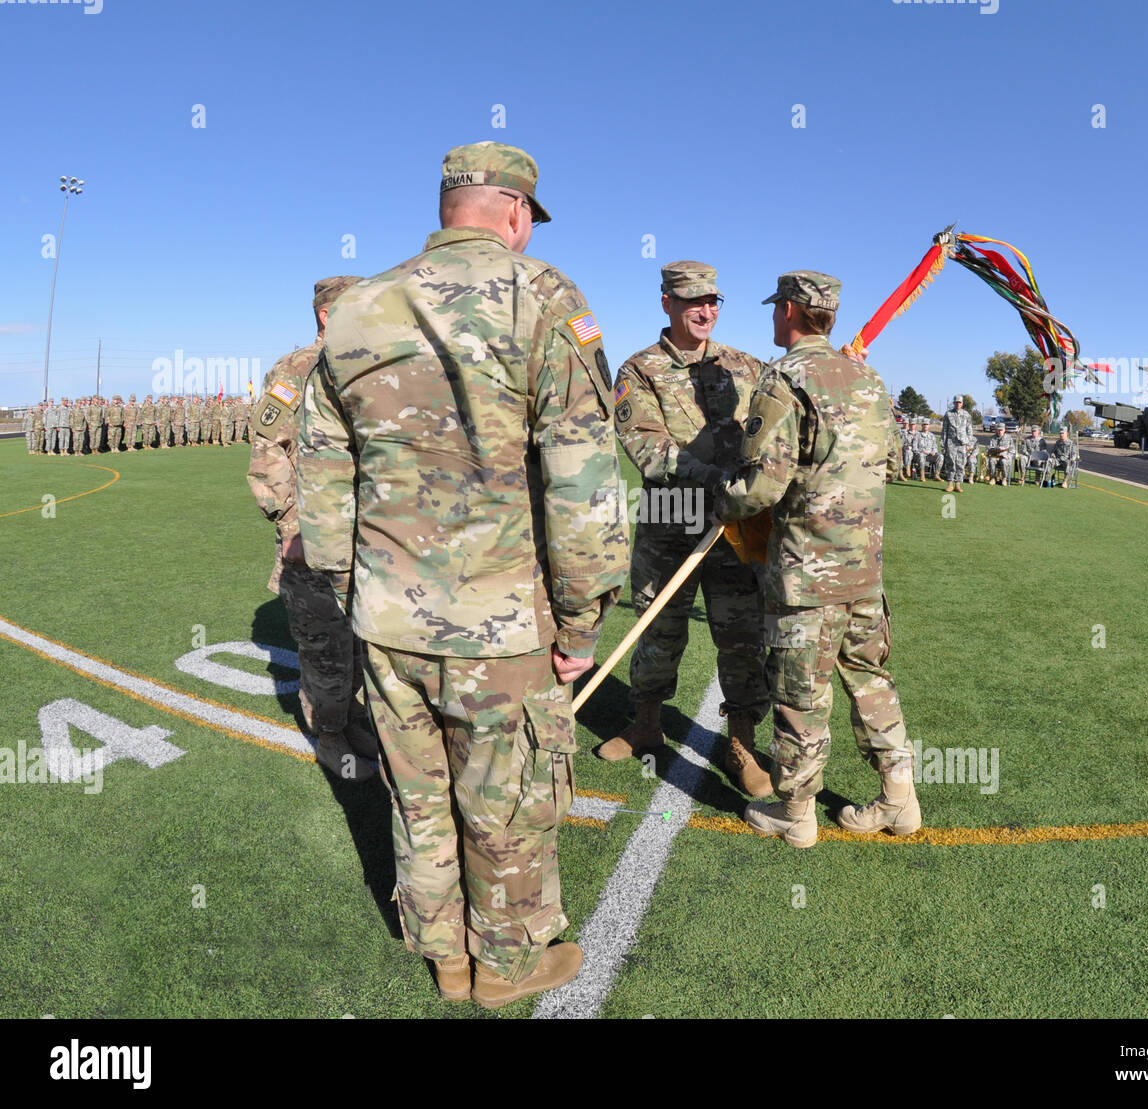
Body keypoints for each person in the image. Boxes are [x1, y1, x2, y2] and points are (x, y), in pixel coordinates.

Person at [297, 141, 628, 1008]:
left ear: (450, 206)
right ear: (517, 213)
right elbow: (584, 478)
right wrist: (583, 624)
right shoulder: (543, 298)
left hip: (385, 617)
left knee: (419, 797)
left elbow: (323, 487)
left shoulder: (359, 309)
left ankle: (444, 954)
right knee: (505, 802)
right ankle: (507, 965)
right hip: (502, 622)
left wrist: (349, 598)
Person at [714, 271, 920, 849]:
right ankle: (900, 799)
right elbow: (896, 463)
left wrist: (720, 500)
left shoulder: (783, 378)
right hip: (864, 573)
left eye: (776, 309)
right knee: (872, 682)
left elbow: (762, 486)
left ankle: (796, 813)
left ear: (789, 310)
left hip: (807, 576)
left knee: (800, 697)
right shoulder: (869, 378)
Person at [599, 260, 771, 797]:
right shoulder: (637, 370)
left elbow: (781, 429)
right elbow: (648, 450)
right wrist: (717, 480)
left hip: (735, 530)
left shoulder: (748, 367)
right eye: (693, 301)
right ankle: (646, 724)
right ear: (667, 304)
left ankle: (740, 740)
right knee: (659, 629)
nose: (705, 311)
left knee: (742, 637)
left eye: (713, 301)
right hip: (670, 522)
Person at [247, 275, 378, 784]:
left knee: (362, 640)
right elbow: (266, 451)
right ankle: (330, 735)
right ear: (327, 314)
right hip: (313, 534)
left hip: (367, 534)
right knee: (324, 643)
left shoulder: (370, 366)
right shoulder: (297, 369)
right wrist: (289, 525)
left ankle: (355, 721)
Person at [941, 394, 974, 493]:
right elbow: (944, 430)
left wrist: (969, 444)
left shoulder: (967, 415)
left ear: (962, 403)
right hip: (951, 442)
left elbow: (969, 430)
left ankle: (958, 484)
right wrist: (943, 444)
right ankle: (950, 483)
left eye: (959, 402)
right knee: (951, 462)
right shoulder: (948, 414)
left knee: (960, 463)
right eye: (956, 402)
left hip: (962, 443)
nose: (958, 404)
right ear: (954, 403)